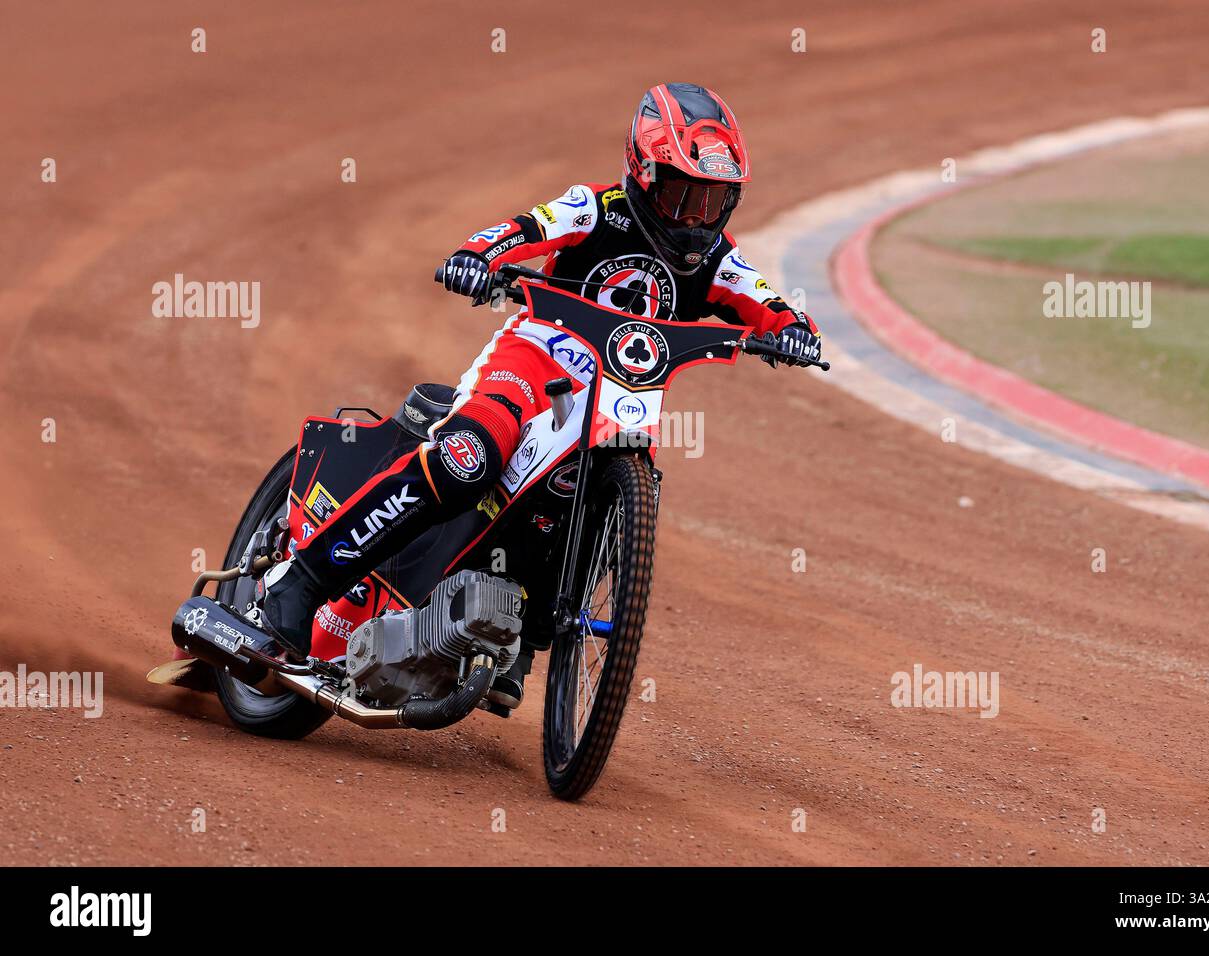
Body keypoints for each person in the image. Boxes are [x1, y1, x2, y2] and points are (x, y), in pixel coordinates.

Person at [258, 83, 823, 708]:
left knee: (604, 498)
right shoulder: (594, 208)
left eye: (713, 201)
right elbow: (520, 230)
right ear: (644, 173)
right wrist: (476, 257)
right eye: (682, 195)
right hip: (533, 362)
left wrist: (796, 333)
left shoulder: (718, 257)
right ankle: (300, 584)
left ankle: (518, 636)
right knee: (469, 459)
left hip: (620, 396)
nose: (696, 218)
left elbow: (771, 304)